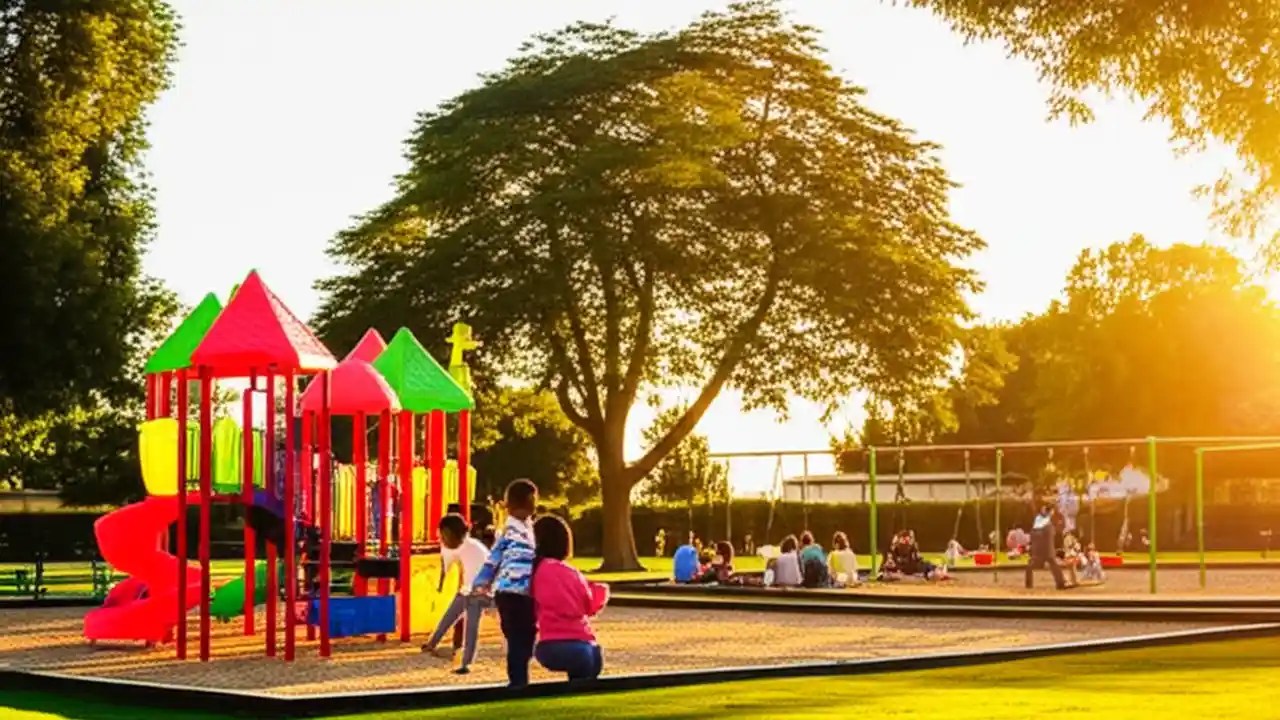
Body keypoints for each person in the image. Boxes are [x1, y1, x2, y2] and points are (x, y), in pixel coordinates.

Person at [472, 478, 539, 688]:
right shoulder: (512, 532)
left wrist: (483, 581)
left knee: (521, 635)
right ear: (531, 502)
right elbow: (493, 559)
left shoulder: (525, 530)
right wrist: (481, 582)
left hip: (511, 592)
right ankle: (518, 680)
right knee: (520, 635)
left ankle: (519, 678)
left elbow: (493, 560)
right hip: (516, 591)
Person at [531, 515, 608, 681]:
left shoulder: (535, 570)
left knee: (582, 662)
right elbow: (589, 605)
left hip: (550, 644)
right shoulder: (571, 573)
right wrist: (601, 591)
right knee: (589, 663)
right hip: (584, 643)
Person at [421, 514, 490, 674]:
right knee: (450, 615)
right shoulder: (455, 546)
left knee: (471, 626)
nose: (442, 539)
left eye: (445, 536)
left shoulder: (473, 548)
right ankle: (432, 643)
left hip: (480, 591)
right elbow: (446, 562)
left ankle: (466, 663)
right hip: (468, 589)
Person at [1025, 505, 1071, 590]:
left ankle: (1060, 583)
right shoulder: (1045, 522)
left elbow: (1036, 534)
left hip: (1043, 550)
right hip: (1044, 549)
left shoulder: (1044, 522)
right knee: (1053, 566)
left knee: (1032, 566)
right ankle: (1060, 584)